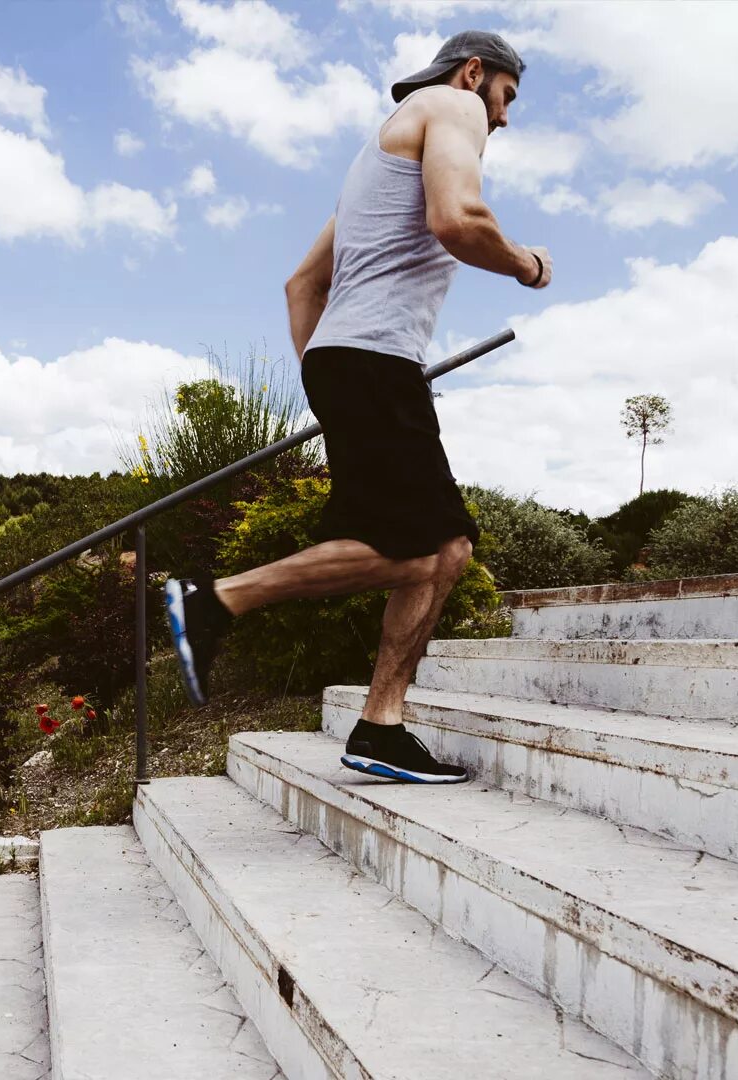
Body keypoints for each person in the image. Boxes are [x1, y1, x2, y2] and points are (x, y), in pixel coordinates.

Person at [163, 31, 551, 785]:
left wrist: (329, 379)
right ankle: (213, 601)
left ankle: (381, 725)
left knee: (444, 550)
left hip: (360, 367)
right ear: (476, 73)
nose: (502, 119)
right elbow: (459, 219)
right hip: (373, 365)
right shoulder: (451, 106)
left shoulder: (371, 173)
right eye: (505, 97)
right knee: (427, 548)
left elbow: (300, 286)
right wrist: (529, 267)